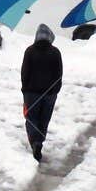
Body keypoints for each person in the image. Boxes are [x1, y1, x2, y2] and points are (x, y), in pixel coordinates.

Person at [19, 23, 63, 163]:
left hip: (31, 94)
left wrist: (24, 89)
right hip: (49, 95)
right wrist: (55, 90)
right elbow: (59, 74)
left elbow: (25, 72)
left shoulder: (30, 51)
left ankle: (34, 143)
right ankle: (40, 142)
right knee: (44, 119)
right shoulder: (55, 52)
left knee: (31, 119)